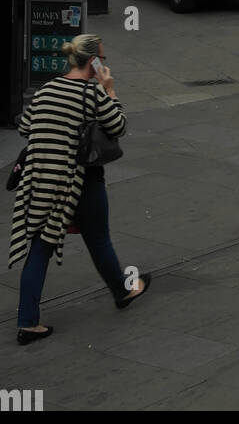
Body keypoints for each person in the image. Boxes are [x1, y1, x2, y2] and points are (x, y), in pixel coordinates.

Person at [9, 33, 150, 342]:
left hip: (42, 182)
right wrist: (110, 90)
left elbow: (24, 127)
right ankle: (122, 292)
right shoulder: (92, 93)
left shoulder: (46, 89)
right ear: (92, 62)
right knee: (98, 239)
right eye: (102, 58)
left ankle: (27, 321)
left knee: (40, 247)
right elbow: (118, 126)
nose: (104, 63)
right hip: (80, 181)